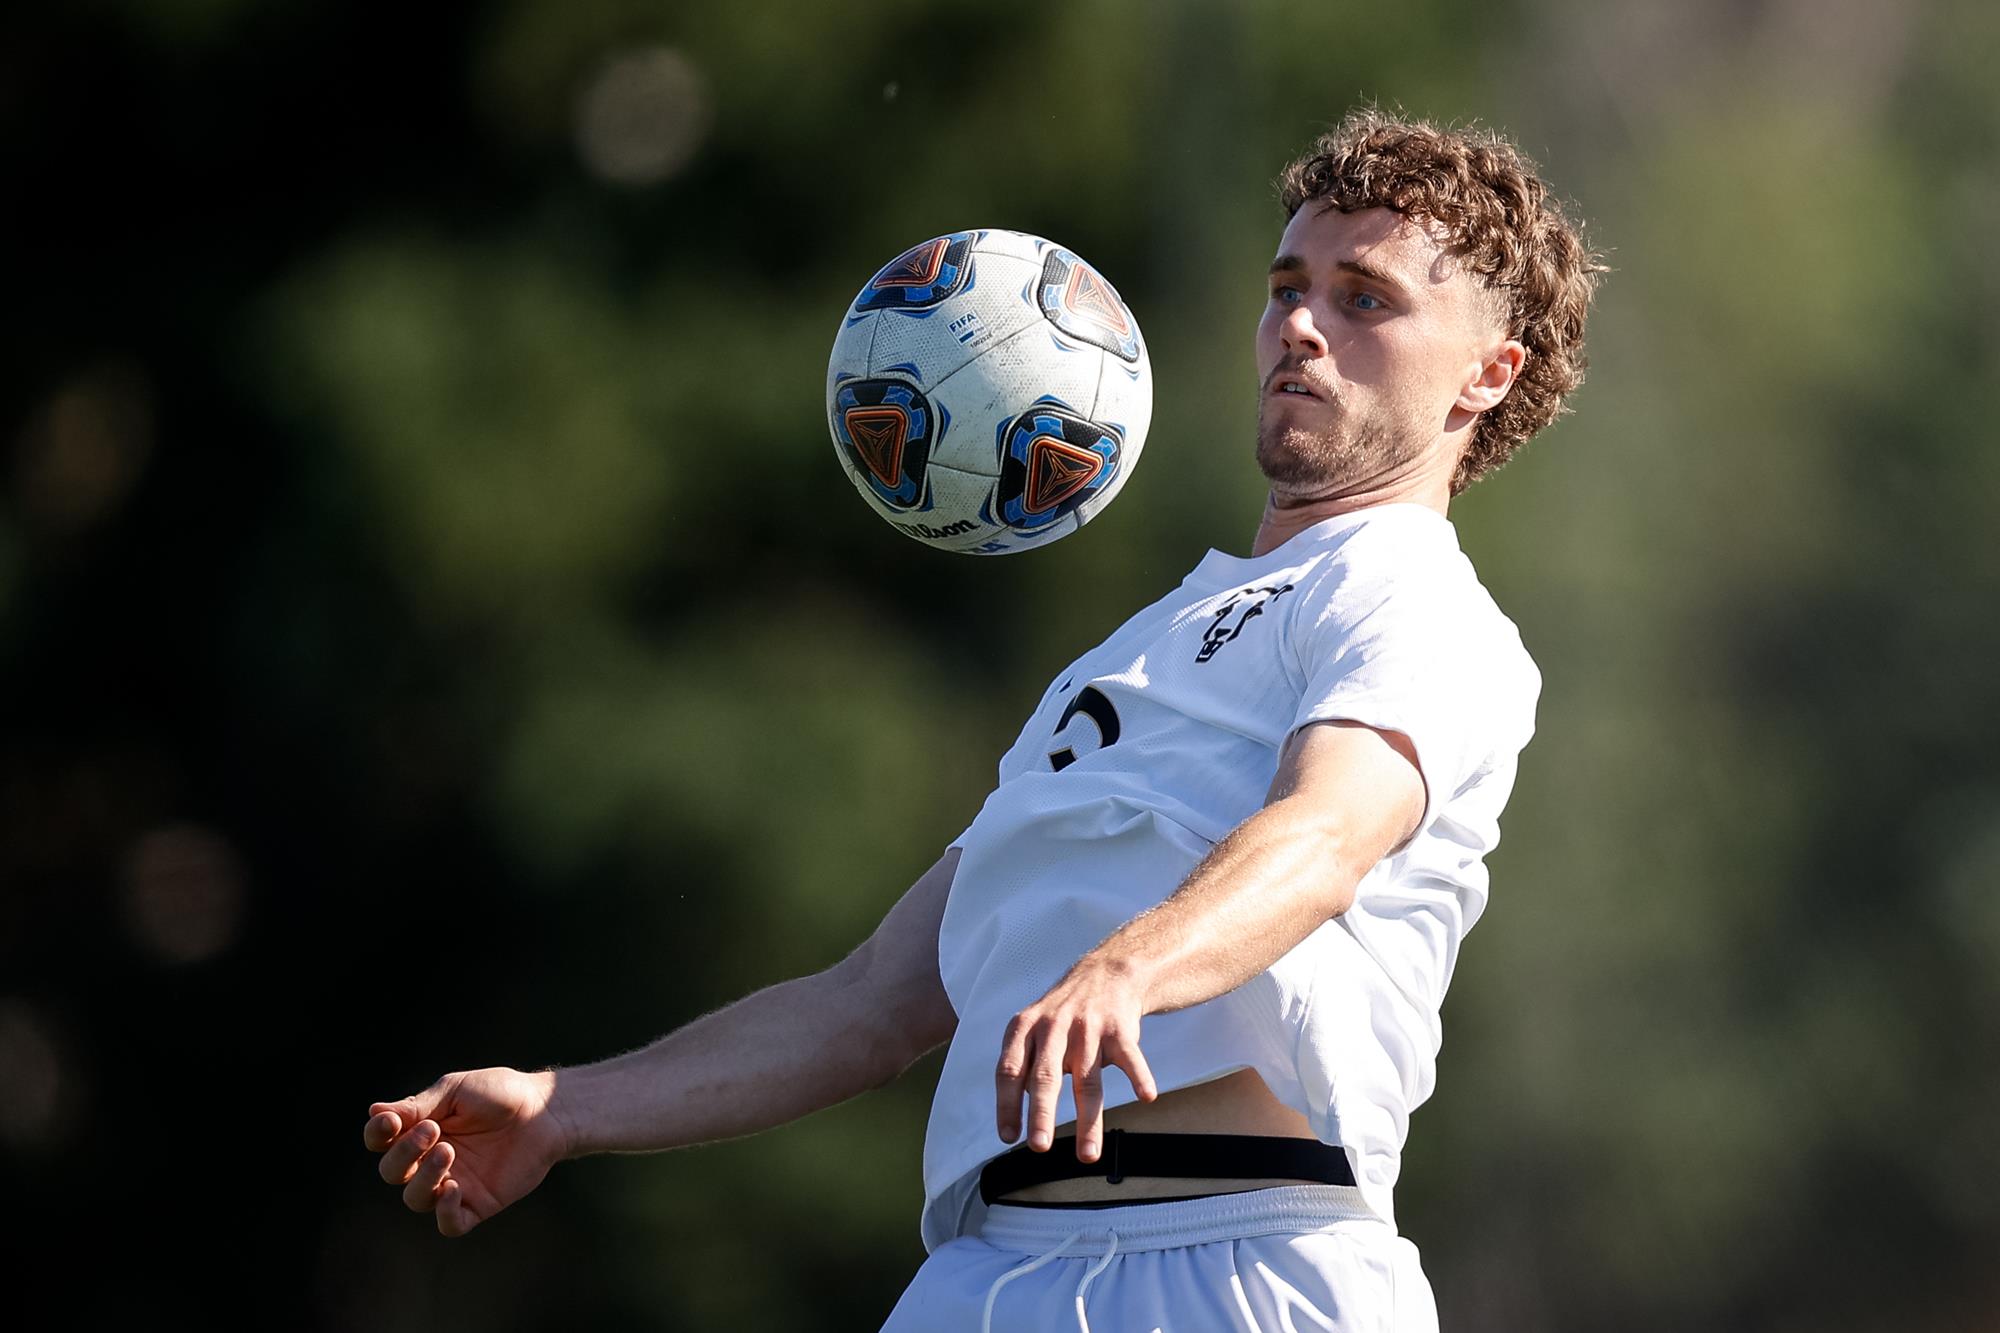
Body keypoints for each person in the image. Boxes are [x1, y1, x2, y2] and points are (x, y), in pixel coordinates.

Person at [363, 109, 1600, 1331]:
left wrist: (1125, 967)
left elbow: (1324, 834)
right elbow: (872, 1001)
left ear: (1486, 374)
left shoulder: (1411, 596)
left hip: (1239, 1258)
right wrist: (568, 1106)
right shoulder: (1125, 655)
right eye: (1288, 287)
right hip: (990, 1275)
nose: (1300, 325)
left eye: (1364, 298)